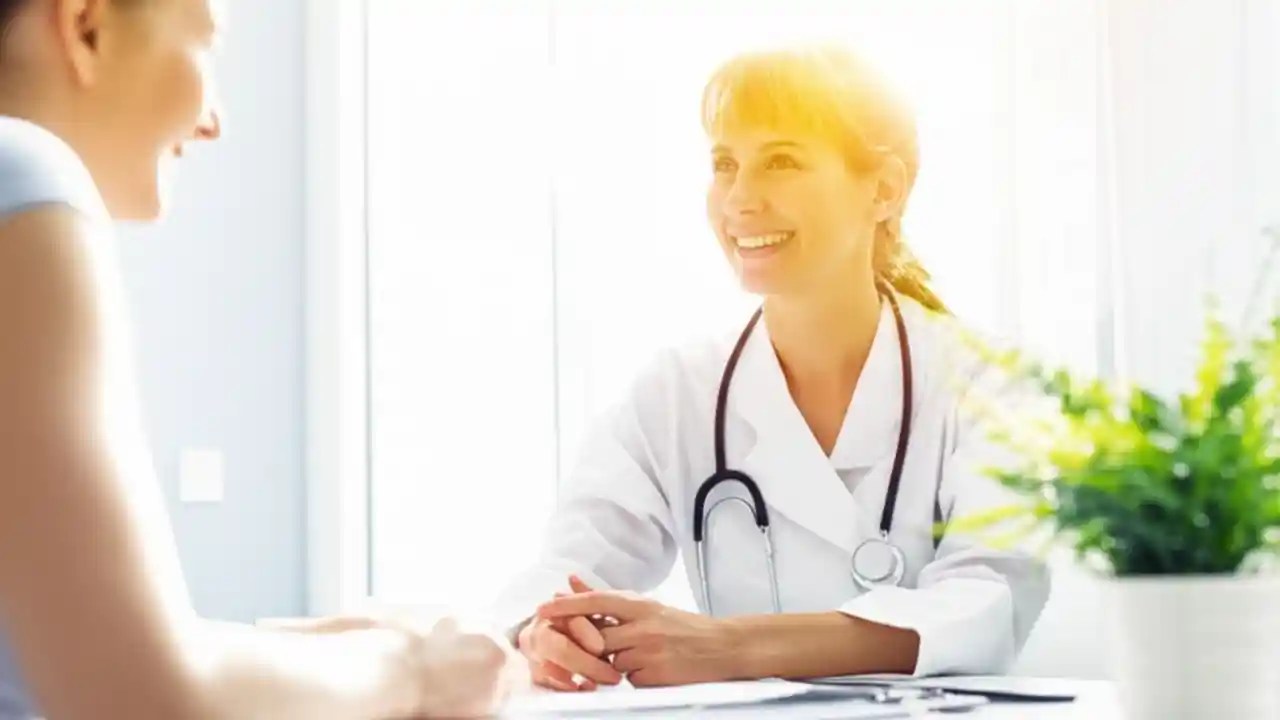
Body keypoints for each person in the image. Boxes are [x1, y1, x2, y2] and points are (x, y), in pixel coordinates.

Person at [0, 1, 522, 717]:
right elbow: (145, 697)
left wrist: (299, 652)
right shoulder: (25, 170)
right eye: (204, 47)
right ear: (87, 27)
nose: (215, 119)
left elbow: (74, 652)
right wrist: (417, 672)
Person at [499, 46, 1050, 691]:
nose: (740, 200)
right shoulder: (680, 393)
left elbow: (987, 605)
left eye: (781, 162)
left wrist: (730, 647)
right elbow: (564, 571)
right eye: (725, 164)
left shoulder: (987, 385)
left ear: (884, 189)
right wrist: (550, 630)